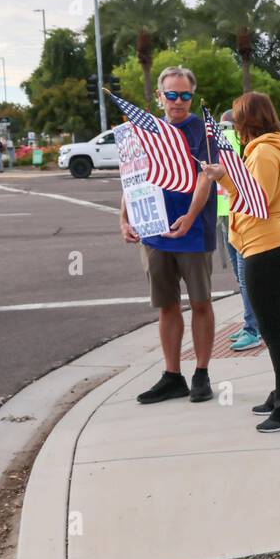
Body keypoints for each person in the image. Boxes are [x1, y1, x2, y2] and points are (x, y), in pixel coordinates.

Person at [202, 92, 280, 432]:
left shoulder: (262, 152)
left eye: (236, 117)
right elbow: (253, 192)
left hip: (266, 248)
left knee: (273, 331)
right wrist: (224, 175)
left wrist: (227, 179)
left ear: (248, 120)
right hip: (274, 243)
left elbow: (255, 199)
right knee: (277, 329)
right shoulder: (273, 147)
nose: (232, 123)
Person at [120, 66, 219, 404]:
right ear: (160, 96)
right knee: (167, 305)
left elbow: (206, 177)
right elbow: (134, 176)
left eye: (185, 95)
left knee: (201, 302)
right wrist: (124, 219)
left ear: (193, 95)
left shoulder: (203, 131)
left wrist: (191, 216)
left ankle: (202, 373)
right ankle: (172, 375)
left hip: (193, 230)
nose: (178, 101)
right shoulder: (146, 130)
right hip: (154, 231)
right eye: (172, 95)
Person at [216, 109, 262, 351]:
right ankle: (251, 323)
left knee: (247, 278)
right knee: (240, 275)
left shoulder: (252, 152)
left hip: (243, 219)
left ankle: (253, 328)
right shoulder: (222, 149)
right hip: (226, 214)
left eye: (228, 128)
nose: (224, 133)